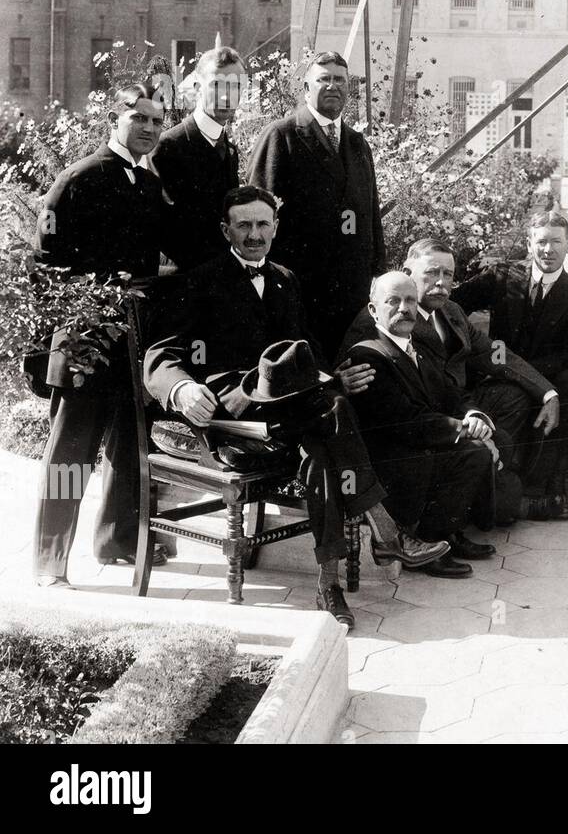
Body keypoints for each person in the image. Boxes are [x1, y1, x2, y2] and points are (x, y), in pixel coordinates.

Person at [143, 186, 450, 628]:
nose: (254, 234)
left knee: (321, 453)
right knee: (334, 412)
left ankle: (330, 586)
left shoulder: (285, 279)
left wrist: (332, 377)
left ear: (275, 228)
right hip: (233, 409)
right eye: (244, 225)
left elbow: (308, 354)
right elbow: (159, 354)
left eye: (263, 224)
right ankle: (385, 530)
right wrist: (181, 389)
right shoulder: (200, 280)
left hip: (291, 411)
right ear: (225, 228)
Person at [31, 80, 173, 586]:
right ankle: (51, 560)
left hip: (135, 332)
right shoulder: (80, 179)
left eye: (157, 121)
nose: (150, 129)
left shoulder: (150, 184)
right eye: (140, 119)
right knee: (73, 449)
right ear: (115, 120)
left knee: (130, 440)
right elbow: (46, 268)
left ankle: (114, 541)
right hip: (86, 335)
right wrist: (75, 329)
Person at [342, 238, 554, 529]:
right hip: (418, 420)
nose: (441, 283)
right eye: (432, 273)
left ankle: (493, 485)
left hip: (455, 401)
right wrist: (339, 379)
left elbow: (494, 353)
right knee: (493, 477)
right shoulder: (386, 317)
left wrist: (547, 392)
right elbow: (356, 366)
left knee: (513, 398)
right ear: (407, 272)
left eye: (449, 275)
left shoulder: (451, 311)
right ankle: (496, 498)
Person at [343, 272, 498, 579]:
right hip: (392, 464)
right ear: (373, 310)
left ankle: (447, 535)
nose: (404, 308)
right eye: (393, 301)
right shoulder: (368, 354)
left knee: (479, 450)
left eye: (410, 300)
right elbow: (405, 420)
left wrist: (474, 416)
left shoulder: (415, 348)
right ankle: (428, 543)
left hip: (418, 450)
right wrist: (462, 430)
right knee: (473, 451)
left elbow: (452, 394)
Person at [452, 210, 568, 521]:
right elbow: (453, 303)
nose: (548, 250)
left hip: (550, 375)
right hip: (500, 372)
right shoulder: (503, 277)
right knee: (509, 395)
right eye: (541, 242)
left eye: (556, 242)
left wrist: (530, 375)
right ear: (530, 244)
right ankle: (506, 480)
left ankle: (555, 484)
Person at [248, 50, 385, 358]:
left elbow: (371, 213)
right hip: (302, 291)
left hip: (352, 292)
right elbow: (257, 216)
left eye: (340, 80)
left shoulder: (356, 142)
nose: (333, 86)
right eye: (324, 79)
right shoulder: (281, 136)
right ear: (307, 88)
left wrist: (378, 270)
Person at [152, 45, 245, 271]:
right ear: (197, 87)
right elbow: (168, 231)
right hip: (184, 280)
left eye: (235, 86)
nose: (226, 95)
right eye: (217, 85)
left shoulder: (228, 149)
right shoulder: (169, 146)